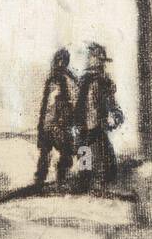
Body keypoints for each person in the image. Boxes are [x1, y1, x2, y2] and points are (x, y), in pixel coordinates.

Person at [74, 42, 123, 192]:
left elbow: (110, 102)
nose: (99, 62)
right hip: (87, 126)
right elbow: (77, 103)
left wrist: (116, 114)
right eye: (97, 59)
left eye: (101, 60)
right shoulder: (86, 80)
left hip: (93, 125)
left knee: (102, 157)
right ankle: (88, 183)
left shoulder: (102, 80)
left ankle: (95, 183)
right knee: (89, 155)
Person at [34, 48, 77, 189]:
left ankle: (43, 180)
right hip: (55, 124)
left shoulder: (60, 78)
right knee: (63, 151)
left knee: (53, 152)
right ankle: (57, 179)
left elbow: (51, 104)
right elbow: (53, 103)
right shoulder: (65, 78)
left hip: (53, 124)